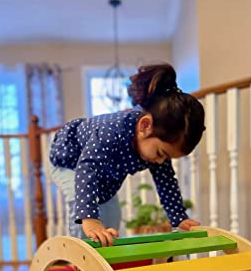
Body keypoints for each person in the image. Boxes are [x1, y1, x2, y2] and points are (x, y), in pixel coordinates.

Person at [49, 63, 206, 246]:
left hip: (104, 175)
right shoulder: (111, 132)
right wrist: (89, 219)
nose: (161, 160)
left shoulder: (156, 143)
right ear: (144, 126)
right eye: (160, 153)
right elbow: (86, 170)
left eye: (167, 157)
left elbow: (166, 182)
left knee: (112, 213)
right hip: (69, 160)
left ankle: (106, 246)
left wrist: (179, 218)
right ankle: (81, 251)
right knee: (82, 202)